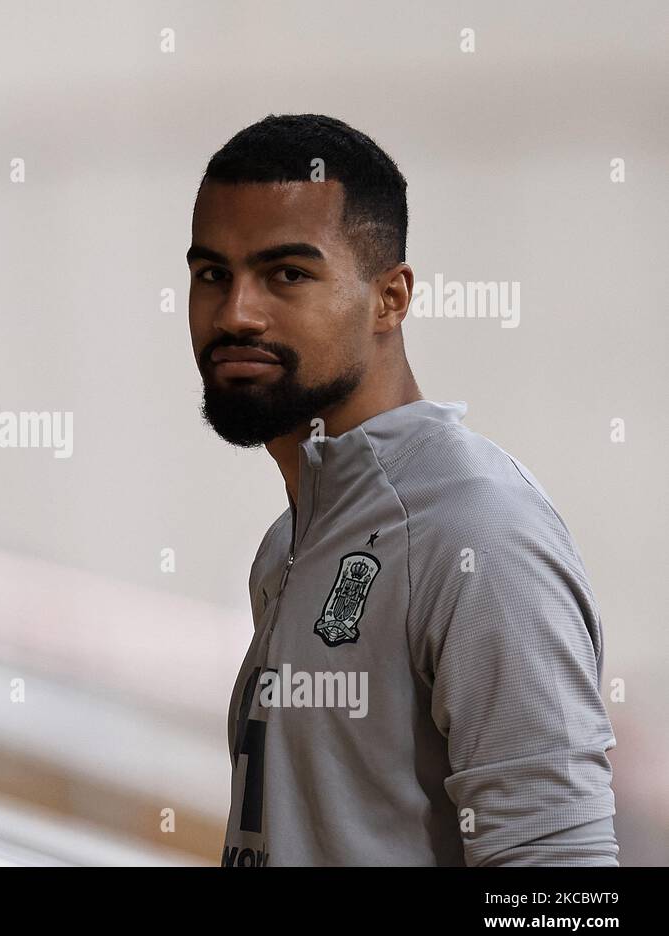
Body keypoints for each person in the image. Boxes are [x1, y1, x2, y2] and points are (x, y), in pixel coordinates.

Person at [188, 113, 617, 866]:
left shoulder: (478, 530)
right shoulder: (289, 545)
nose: (236, 313)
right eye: (213, 275)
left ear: (391, 298)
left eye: (287, 273)